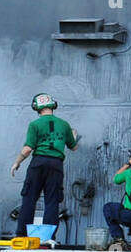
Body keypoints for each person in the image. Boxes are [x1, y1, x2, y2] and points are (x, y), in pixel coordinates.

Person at [10, 93, 79, 236]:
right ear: (53, 105)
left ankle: (22, 236)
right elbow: (74, 147)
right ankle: (48, 237)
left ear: (36, 108)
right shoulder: (64, 124)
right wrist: (73, 136)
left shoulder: (35, 125)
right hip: (56, 164)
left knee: (29, 199)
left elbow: (28, 149)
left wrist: (17, 162)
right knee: (52, 202)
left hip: (38, 163)